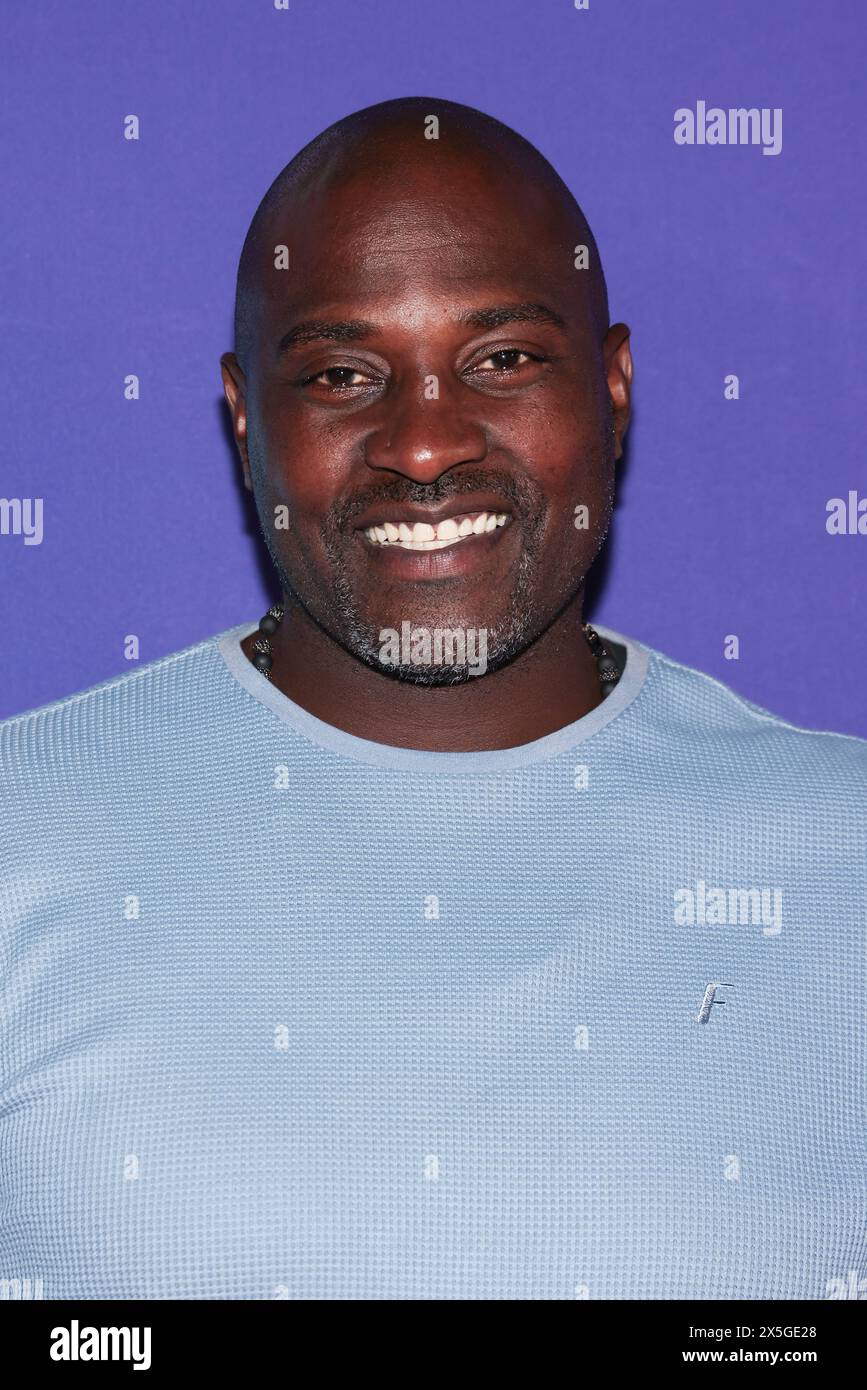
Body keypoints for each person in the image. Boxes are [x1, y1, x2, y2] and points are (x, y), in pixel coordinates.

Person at [1, 96, 865, 1302]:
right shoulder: (21, 831)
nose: (422, 443)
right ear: (246, 416)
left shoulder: (845, 858)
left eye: (501, 359)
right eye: (344, 373)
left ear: (613, 388)